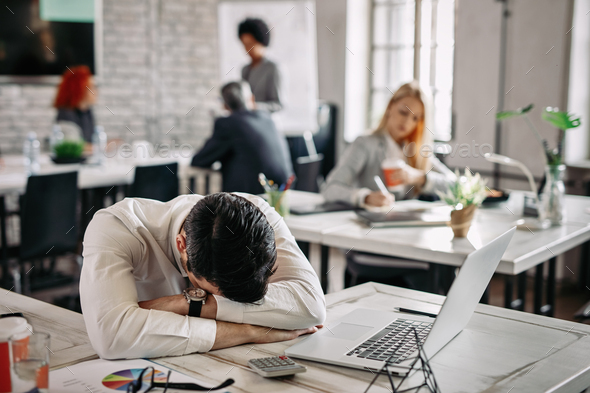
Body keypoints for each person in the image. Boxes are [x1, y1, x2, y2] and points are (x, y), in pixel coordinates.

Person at [80, 192, 326, 359]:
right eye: (209, 293)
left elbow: (312, 306)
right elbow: (110, 337)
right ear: (181, 245)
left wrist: (188, 305)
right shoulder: (117, 227)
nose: (219, 300)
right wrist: (251, 332)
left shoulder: (258, 217)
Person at [322, 81, 453, 207]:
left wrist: (420, 177)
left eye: (415, 118)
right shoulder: (365, 144)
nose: (407, 122)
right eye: (403, 112)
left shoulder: (417, 150)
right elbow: (330, 189)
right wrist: (365, 197)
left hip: (406, 224)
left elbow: (456, 185)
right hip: (368, 224)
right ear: (390, 106)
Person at [192, 81, 293, 194]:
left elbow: (200, 159)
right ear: (252, 99)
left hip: (249, 198)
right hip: (285, 191)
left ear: (224, 105)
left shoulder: (227, 124)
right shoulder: (267, 118)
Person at [238, 18, 282, 112]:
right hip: (248, 122)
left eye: (250, 44)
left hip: (266, 123)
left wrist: (254, 106)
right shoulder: (245, 69)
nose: (247, 49)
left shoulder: (273, 68)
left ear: (261, 42)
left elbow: (279, 105)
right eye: (244, 44)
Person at [53, 65, 97, 143]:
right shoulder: (66, 114)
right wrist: (102, 147)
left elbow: (90, 141)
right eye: (92, 87)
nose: (96, 91)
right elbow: (73, 146)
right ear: (80, 89)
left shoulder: (87, 112)